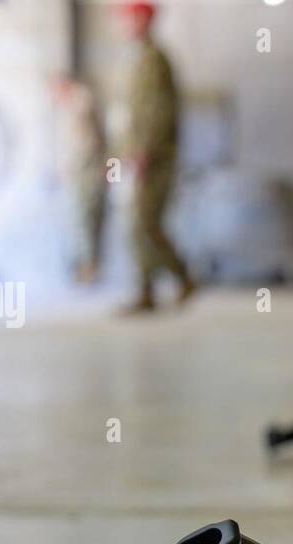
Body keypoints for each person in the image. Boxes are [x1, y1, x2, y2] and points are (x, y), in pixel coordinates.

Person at [118, 1, 194, 313]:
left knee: (144, 221)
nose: (122, 26)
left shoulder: (154, 59)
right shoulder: (140, 58)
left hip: (155, 157)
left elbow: (158, 109)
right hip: (143, 154)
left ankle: (177, 278)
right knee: (141, 222)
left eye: (127, 19)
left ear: (142, 20)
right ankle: (151, 288)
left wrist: (144, 149)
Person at [52, 74, 107, 284]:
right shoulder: (63, 113)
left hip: (90, 173)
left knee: (89, 220)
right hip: (74, 175)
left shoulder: (82, 102)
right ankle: (81, 267)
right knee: (77, 222)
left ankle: (90, 267)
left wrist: (112, 174)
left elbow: (93, 143)